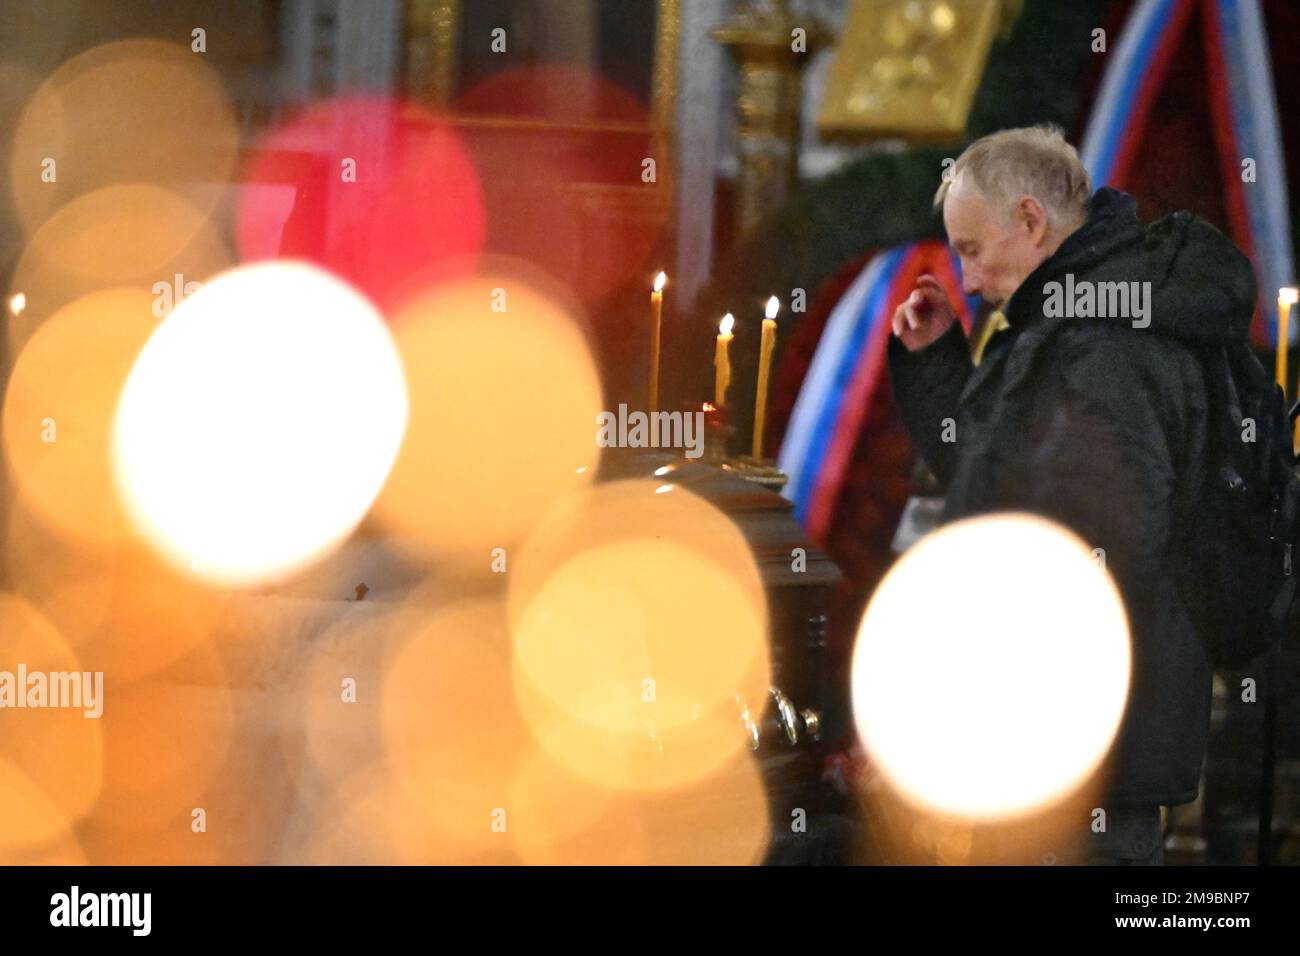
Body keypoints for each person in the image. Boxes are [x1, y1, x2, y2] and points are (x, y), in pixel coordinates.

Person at [886, 125, 1257, 865]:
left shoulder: (1108, 342)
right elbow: (998, 483)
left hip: (1078, 753)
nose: (965, 278)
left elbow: (1102, 555)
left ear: (1030, 221)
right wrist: (937, 364)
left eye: (971, 249)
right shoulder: (1072, 323)